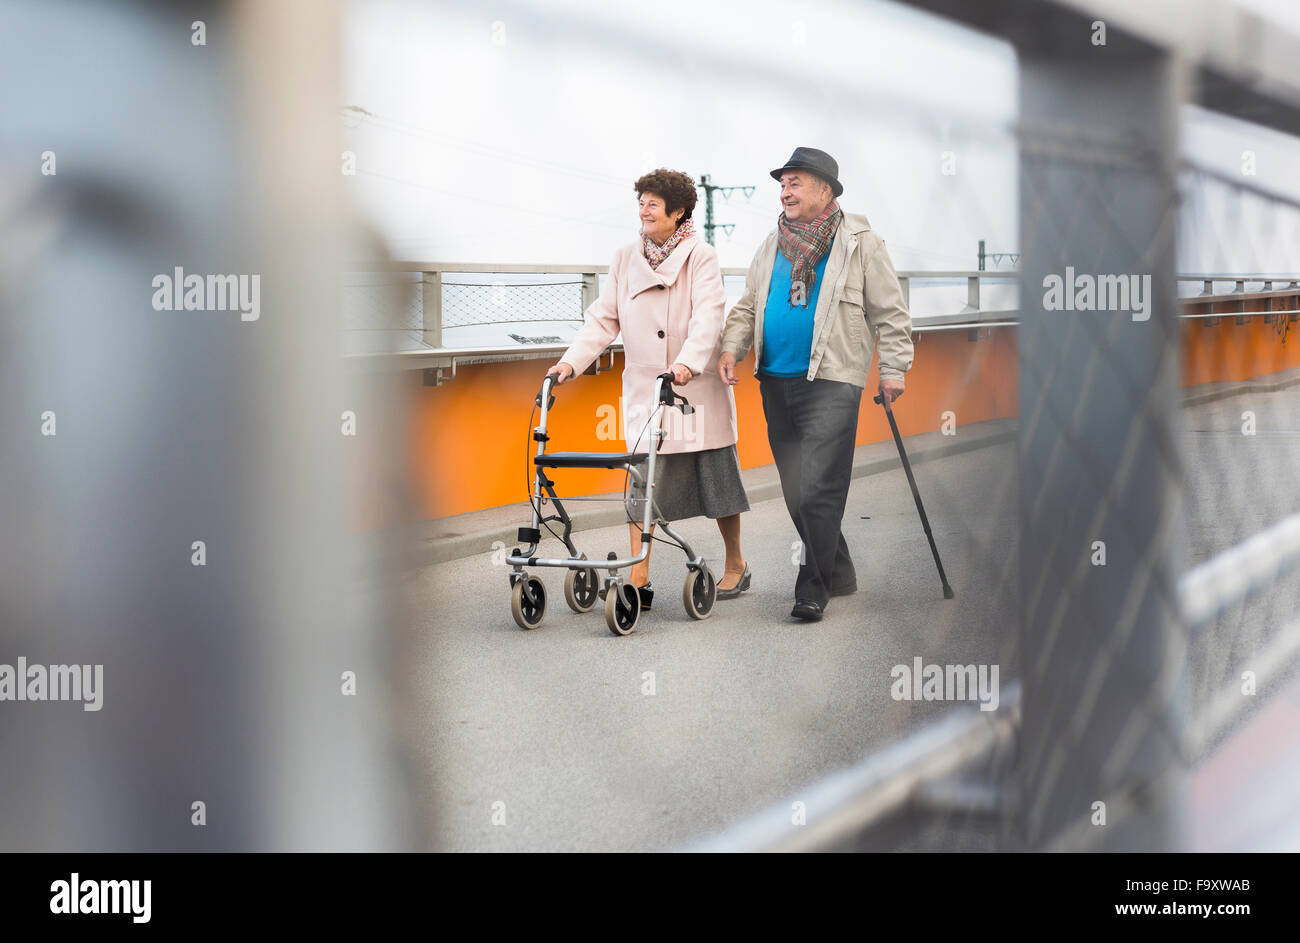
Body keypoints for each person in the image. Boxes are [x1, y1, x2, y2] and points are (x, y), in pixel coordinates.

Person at [718, 147, 913, 622]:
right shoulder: (772, 243)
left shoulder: (859, 242)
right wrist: (731, 346)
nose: (785, 191)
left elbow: (890, 311)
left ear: (826, 190)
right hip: (776, 378)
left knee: (821, 487)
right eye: (782, 184)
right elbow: (748, 305)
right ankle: (839, 569)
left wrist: (893, 368)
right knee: (794, 489)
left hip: (832, 379)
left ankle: (812, 588)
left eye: (796, 182)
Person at [546, 168, 751, 610]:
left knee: (716, 479)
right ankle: (639, 574)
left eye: (653, 203)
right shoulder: (624, 257)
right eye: (641, 202)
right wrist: (570, 362)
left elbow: (708, 316)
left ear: (678, 212)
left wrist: (687, 364)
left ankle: (735, 562)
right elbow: (604, 318)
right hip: (646, 389)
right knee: (643, 481)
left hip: (692, 388)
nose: (644, 210)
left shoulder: (701, 256)